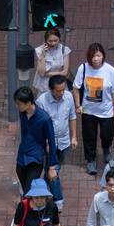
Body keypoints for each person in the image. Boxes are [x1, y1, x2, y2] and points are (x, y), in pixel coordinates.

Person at [73, 43, 114, 176]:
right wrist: (78, 106)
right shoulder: (83, 68)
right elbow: (76, 88)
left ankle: (106, 149)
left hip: (105, 111)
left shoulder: (110, 70)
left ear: (103, 56)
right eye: (93, 56)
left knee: (107, 134)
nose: (96, 59)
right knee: (89, 137)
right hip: (88, 111)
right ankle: (91, 160)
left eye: (98, 55)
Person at [36, 74, 76, 208]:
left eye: (63, 89)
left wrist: (74, 136)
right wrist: (45, 141)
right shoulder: (41, 101)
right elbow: (39, 125)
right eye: (58, 90)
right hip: (48, 144)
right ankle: (58, 200)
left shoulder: (69, 97)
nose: (61, 93)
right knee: (53, 170)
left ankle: (41, 193)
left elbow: (72, 116)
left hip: (64, 142)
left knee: (53, 170)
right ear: (51, 89)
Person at [14, 85, 59, 194]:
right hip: (22, 156)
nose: (17, 106)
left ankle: (30, 207)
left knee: (29, 190)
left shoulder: (44, 119)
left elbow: (52, 142)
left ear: (29, 103)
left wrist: (52, 166)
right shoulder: (22, 113)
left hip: (35, 158)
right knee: (26, 190)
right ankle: (27, 206)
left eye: (19, 104)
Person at [32, 27, 71, 98]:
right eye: (50, 41)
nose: (53, 43)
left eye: (56, 40)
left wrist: (50, 74)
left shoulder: (64, 50)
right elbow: (41, 73)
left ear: (59, 39)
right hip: (45, 86)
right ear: (46, 40)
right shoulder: (40, 50)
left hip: (59, 84)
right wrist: (43, 55)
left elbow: (65, 72)